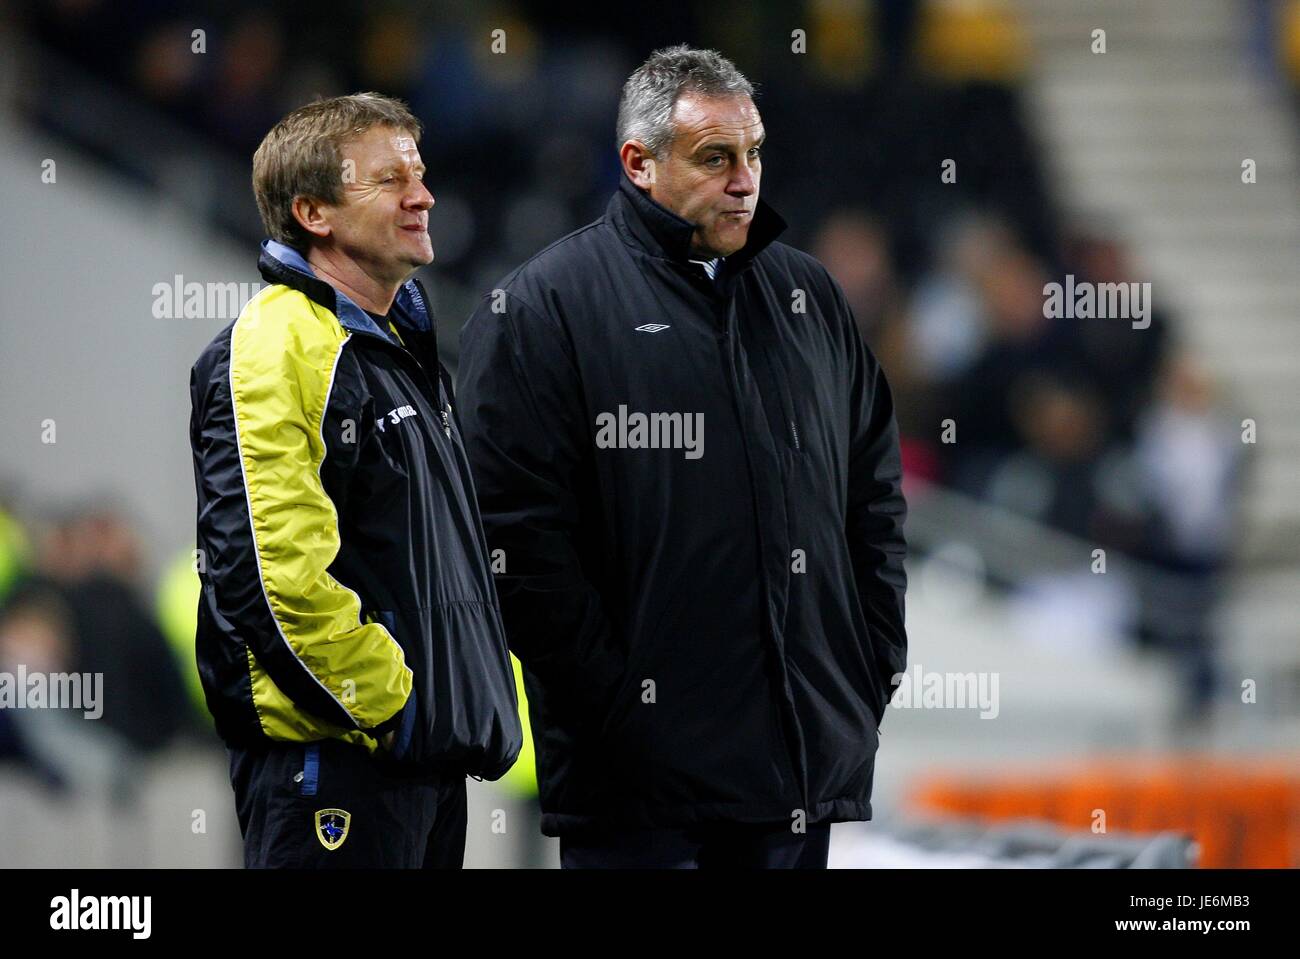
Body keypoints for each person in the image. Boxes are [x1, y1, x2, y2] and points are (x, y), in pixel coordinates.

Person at [457, 47, 908, 868]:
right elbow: (514, 542)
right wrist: (621, 708)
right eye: (715, 158)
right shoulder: (541, 310)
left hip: (797, 779)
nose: (745, 179)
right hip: (639, 798)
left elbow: (871, 496)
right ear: (638, 163)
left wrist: (869, 664)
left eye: (755, 153)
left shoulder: (809, 300)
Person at [189, 93, 521, 869]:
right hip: (338, 764)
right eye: (390, 179)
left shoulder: (392, 349)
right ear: (313, 211)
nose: (423, 194)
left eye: (421, 172)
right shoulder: (278, 344)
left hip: (411, 767)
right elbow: (272, 581)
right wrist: (397, 705)